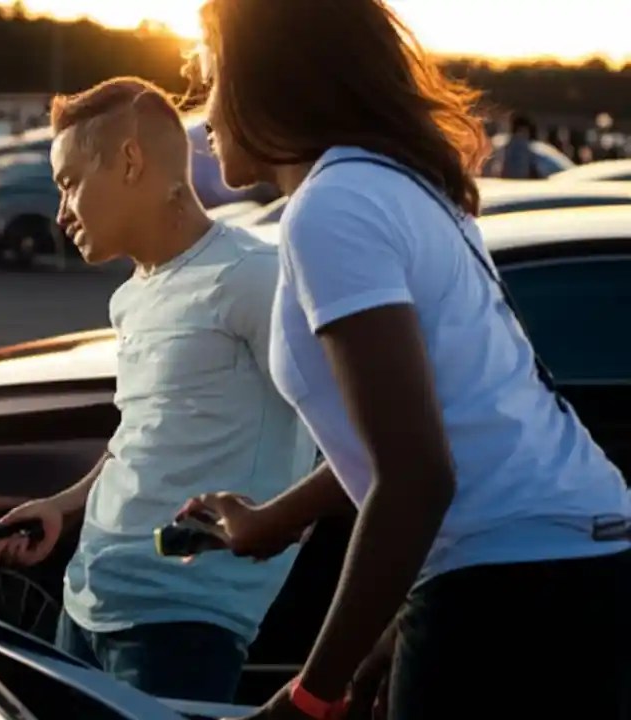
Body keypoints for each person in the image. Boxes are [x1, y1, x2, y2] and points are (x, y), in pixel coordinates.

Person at [186, 2, 631, 718]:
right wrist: (277, 522)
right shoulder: (393, 185)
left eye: (209, 79)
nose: (203, 114)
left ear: (268, 81)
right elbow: (423, 421)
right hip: (568, 561)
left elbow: (417, 476)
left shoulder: (333, 208)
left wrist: (310, 696)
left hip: (517, 587)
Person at [0, 77, 318, 704]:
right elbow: (141, 432)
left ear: (131, 161)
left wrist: (279, 523)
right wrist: (64, 505)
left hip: (180, 624)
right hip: (86, 600)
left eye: (69, 182)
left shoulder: (250, 276)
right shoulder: (130, 297)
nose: (60, 211)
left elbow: (349, 438)